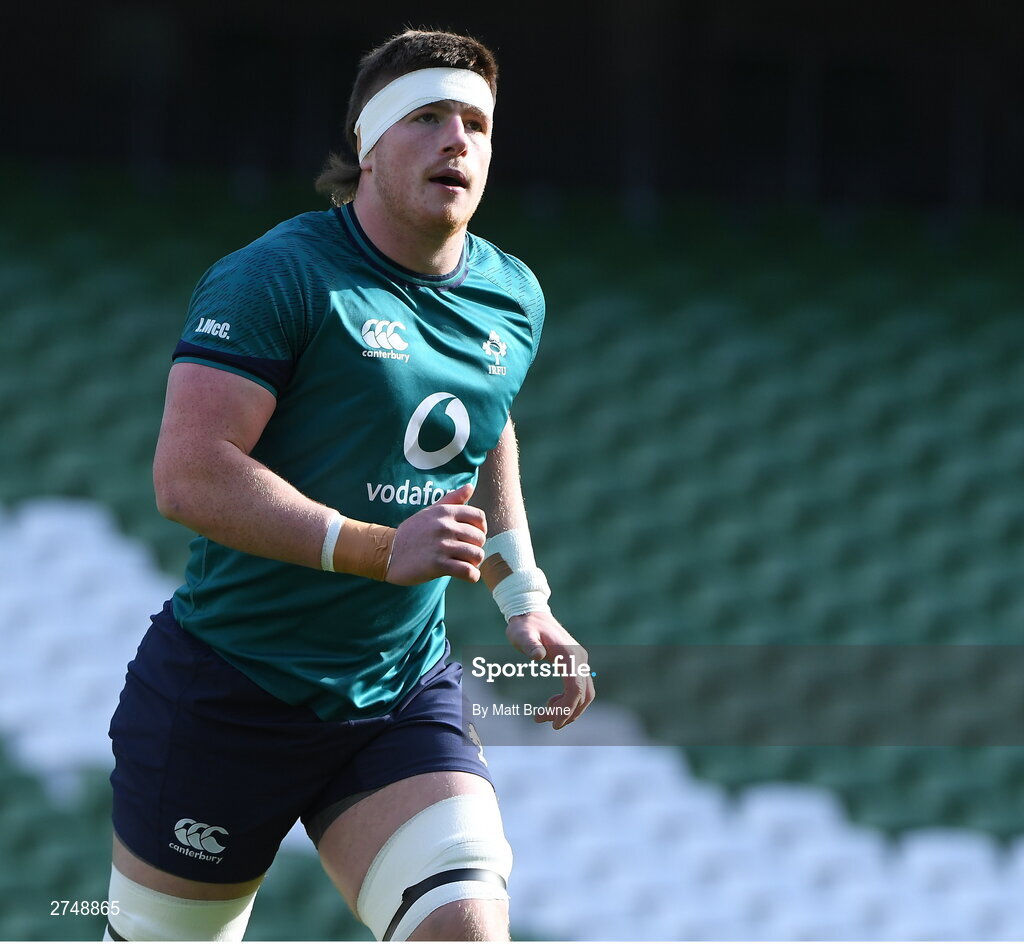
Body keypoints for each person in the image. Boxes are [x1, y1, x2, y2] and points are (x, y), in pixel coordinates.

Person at [105, 27, 595, 943]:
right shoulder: (278, 275)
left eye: (477, 124)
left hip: (395, 695)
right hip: (228, 696)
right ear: (368, 147)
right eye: (429, 117)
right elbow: (188, 473)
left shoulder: (512, 293)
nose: (459, 139)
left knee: (467, 931)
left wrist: (522, 593)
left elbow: (482, 424)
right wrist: (376, 550)